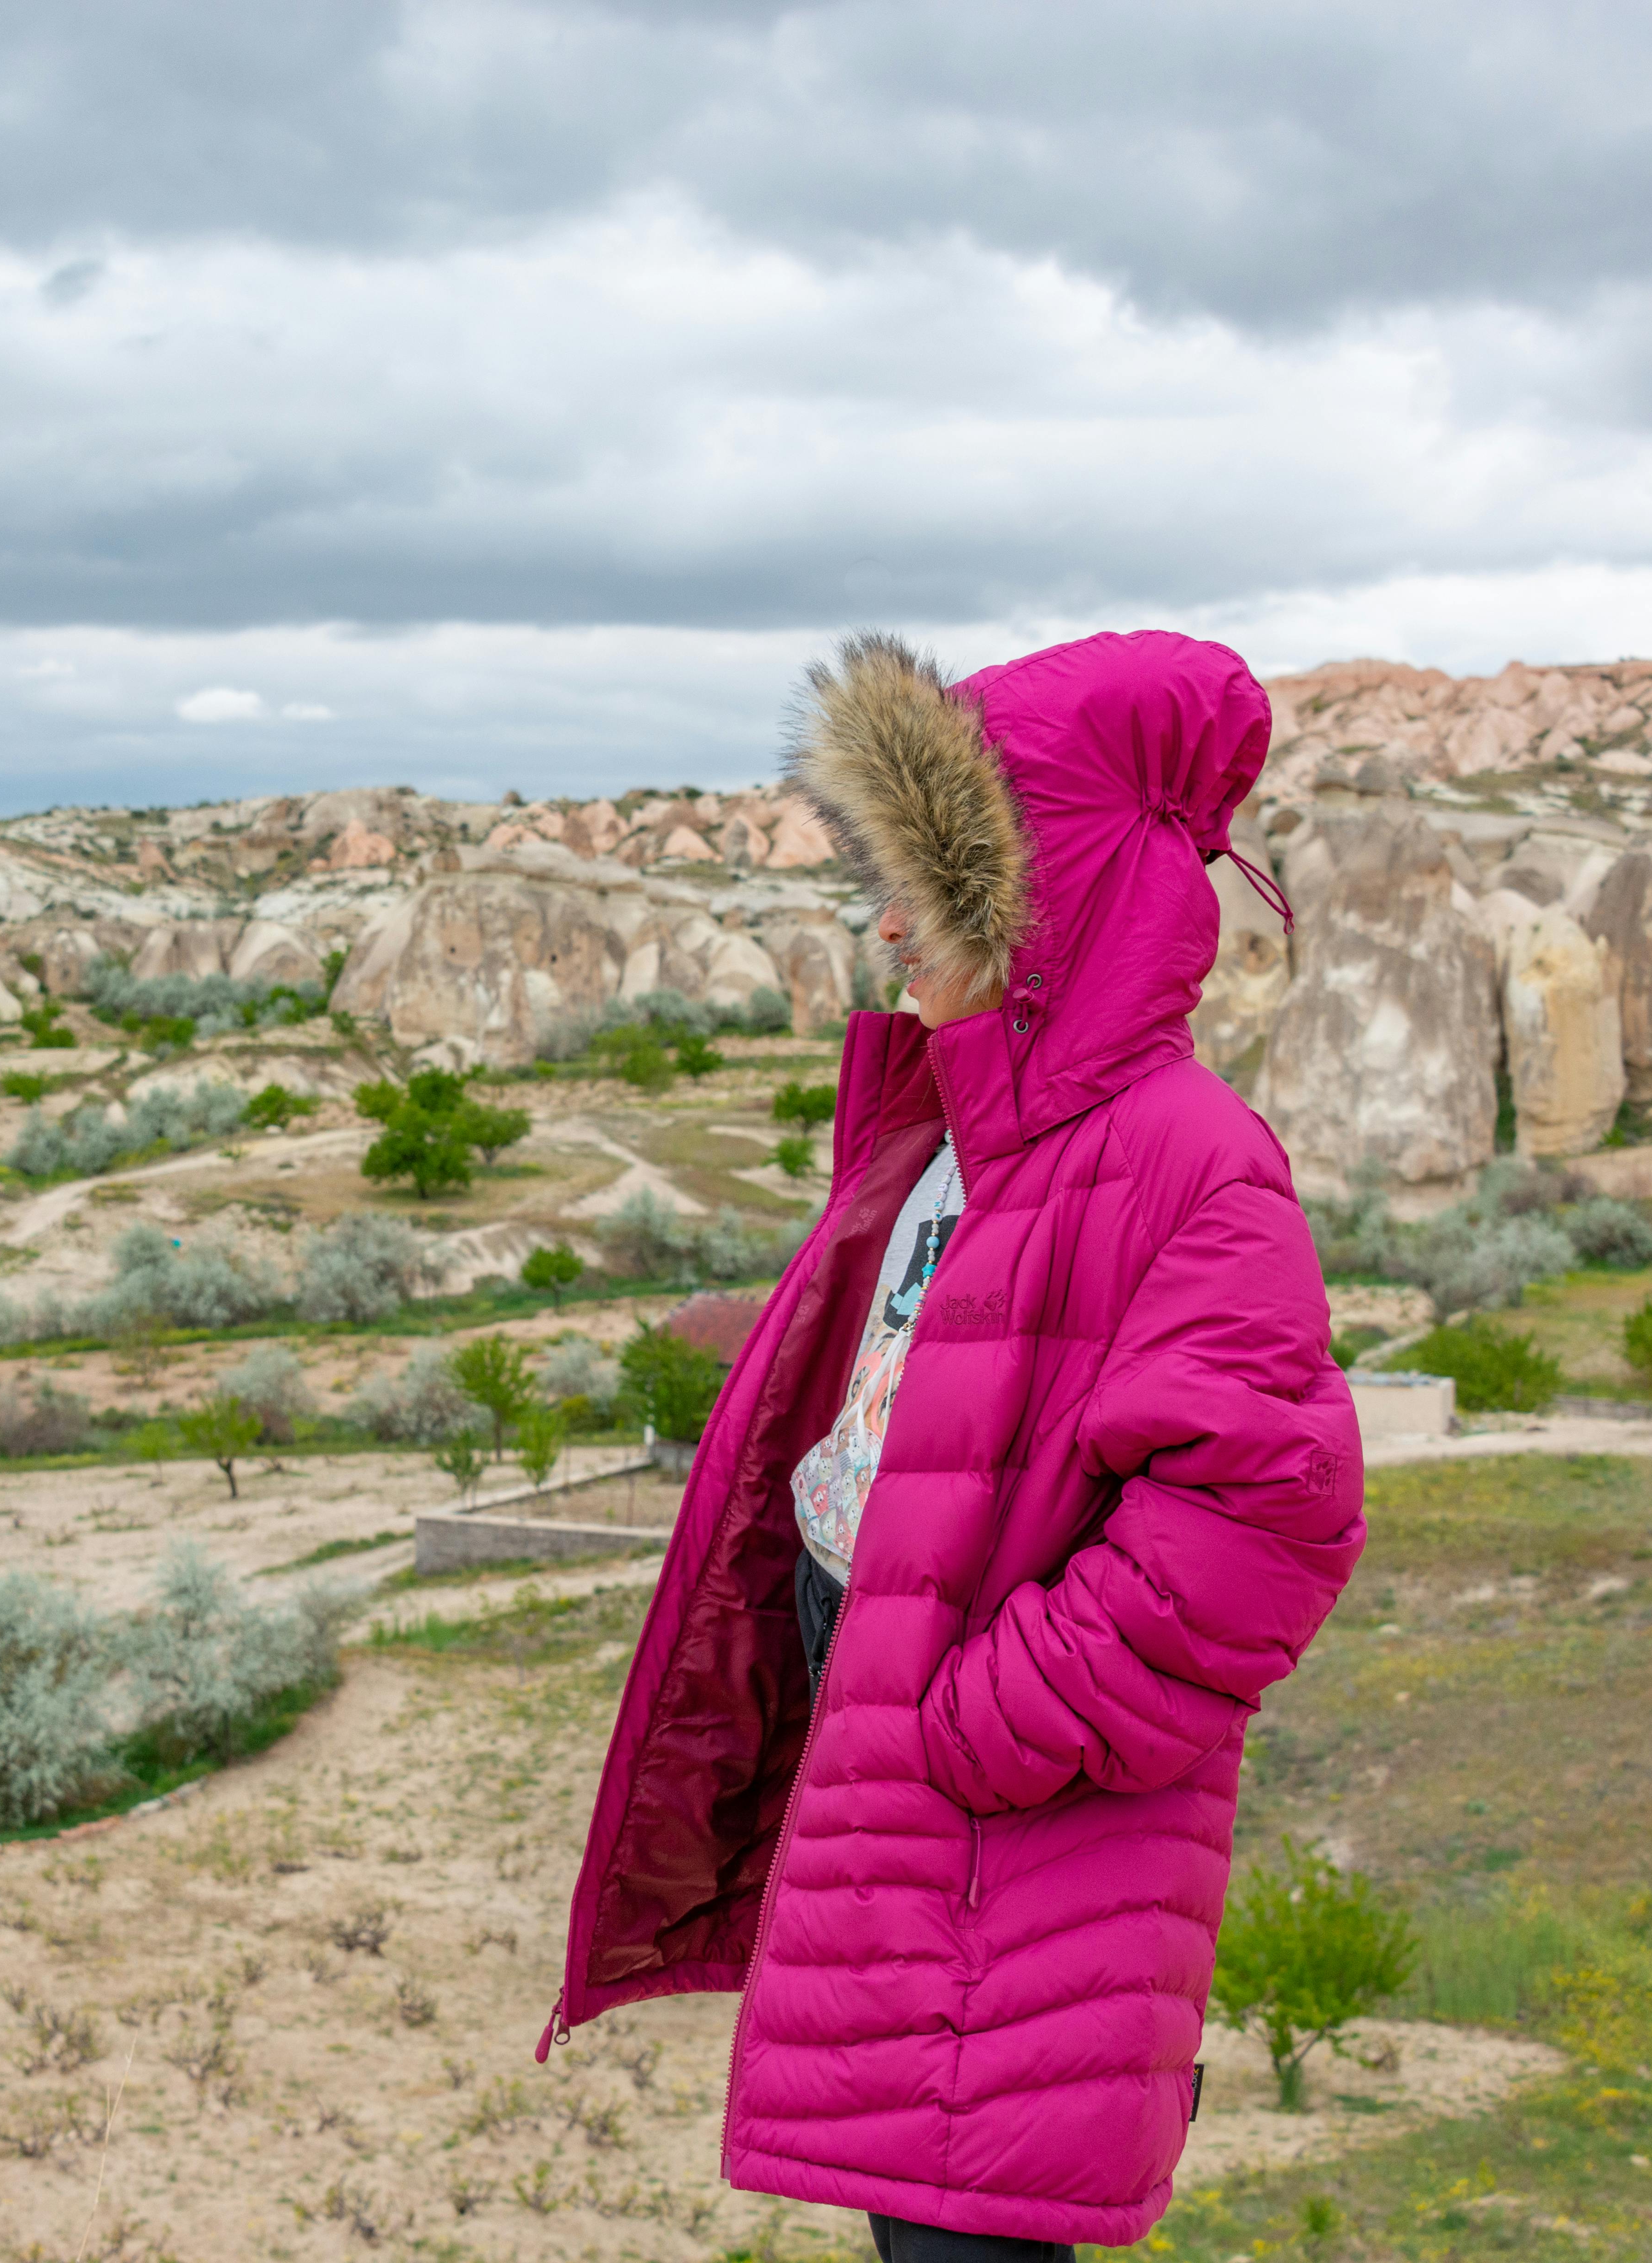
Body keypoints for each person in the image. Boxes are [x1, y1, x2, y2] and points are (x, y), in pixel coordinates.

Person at [545, 630, 1366, 2259]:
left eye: (935, 881)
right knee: (904, 2180)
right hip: (897, 1693)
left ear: (1049, 900)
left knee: (970, 2204)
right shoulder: (959, 1124)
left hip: (1003, 1761)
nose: (890, 922)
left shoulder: (1187, 1160)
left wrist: (986, 1721)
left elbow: (1261, 1522)